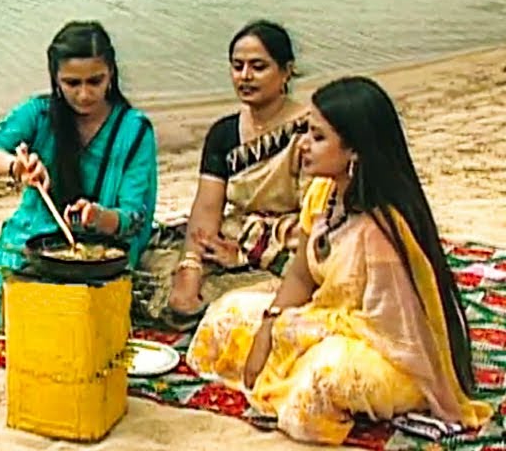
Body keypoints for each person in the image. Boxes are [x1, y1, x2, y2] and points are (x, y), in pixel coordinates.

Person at [185, 76, 492, 444]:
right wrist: (270, 325)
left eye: (317, 137)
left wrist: (304, 330)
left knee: (322, 376)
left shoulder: (381, 231)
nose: (301, 146)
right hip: (328, 320)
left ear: (354, 152)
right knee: (227, 314)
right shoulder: (323, 194)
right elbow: (300, 274)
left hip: (386, 354)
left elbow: (394, 333)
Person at [0, 21, 158, 337]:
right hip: (35, 235)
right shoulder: (39, 114)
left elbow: (135, 217)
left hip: (103, 249)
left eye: (95, 81)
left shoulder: (134, 130)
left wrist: (99, 216)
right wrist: (16, 167)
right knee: (5, 312)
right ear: (56, 78)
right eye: (72, 83)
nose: (84, 94)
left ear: (111, 73)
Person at [151, 20, 310, 328]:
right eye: (237, 67)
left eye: (258, 67)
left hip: (289, 239)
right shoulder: (224, 134)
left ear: (286, 70)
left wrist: (247, 252)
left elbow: (317, 215)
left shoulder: (309, 130)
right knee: (161, 278)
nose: (245, 77)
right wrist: (191, 268)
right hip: (236, 233)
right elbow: (207, 208)